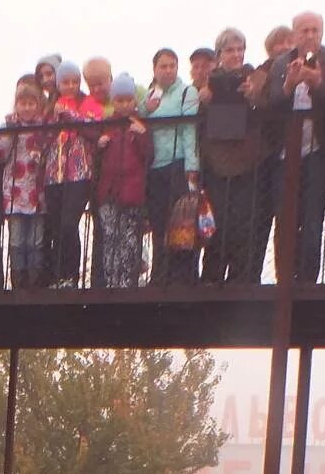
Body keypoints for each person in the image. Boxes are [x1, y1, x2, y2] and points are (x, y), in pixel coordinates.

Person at [266, 11, 325, 282]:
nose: (310, 35)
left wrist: (318, 83)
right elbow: (272, 103)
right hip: (284, 154)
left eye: (315, 30)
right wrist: (289, 84)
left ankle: (308, 281)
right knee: (285, 221)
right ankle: (284, 280)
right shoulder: (280, 64)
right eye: (304, 30)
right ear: (295, 34)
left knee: (313, 221)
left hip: (317, 151)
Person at [199, 27, 272, 285]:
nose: (237, 54)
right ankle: (211, 277)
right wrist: (204, 98)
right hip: (217, 163)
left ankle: (241, 278)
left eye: (240, 49)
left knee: (245, 223)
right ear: (219, 54)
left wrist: (252, 96)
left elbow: (267, 108)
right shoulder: (209, 80)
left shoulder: (255, 77)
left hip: (247, 162)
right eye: (230, 50)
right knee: (218, 223)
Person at [143, 48, 202, 285]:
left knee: (182, 223)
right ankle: (159, 275)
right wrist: (145, 109)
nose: (168, 70)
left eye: (172, 65)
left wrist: (192, 165)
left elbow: (189, 130)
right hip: (155, 166)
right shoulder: (149, 96)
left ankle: (182, 277)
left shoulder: (188, 92)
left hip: (178, 165)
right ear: (155, 70)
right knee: (159, 224)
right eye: (163, 66)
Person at [45, 59, 101, 285]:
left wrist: (69, 115)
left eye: (74, 81)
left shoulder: (89, 103)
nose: (70, 86)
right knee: (56, 226)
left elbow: (94, 128)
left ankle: (71, 274)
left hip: (79, 172)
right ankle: (58, 275)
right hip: (53, 174)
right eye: (65, 82)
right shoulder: (51, 106)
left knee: (69, 223)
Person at [93, 73, 151, 288]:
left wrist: (142, 136)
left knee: (129, 240)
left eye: (128, 100)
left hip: (132, 193)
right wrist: (99, 146)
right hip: (109, 193)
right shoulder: (107, 124)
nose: (124, 104)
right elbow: (96, 160)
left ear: (134, 101)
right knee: (110, 239)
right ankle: (111, 282)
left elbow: (148, 156)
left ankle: (127, 282)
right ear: (113, 101)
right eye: (120, 100)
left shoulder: (140, 124)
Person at [0, 81, 50, 288]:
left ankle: (33, 281)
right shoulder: (9, 125)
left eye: (31, 103)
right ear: (16, 105)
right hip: (15, 190)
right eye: (22, 103)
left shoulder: (44, 127)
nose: (26, 108)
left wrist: (40, 156)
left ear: (37, 105)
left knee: (35, 240)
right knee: (16, 240)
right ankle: (18, 280)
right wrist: (9, 133)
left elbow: (49, 154)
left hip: (36, 191)